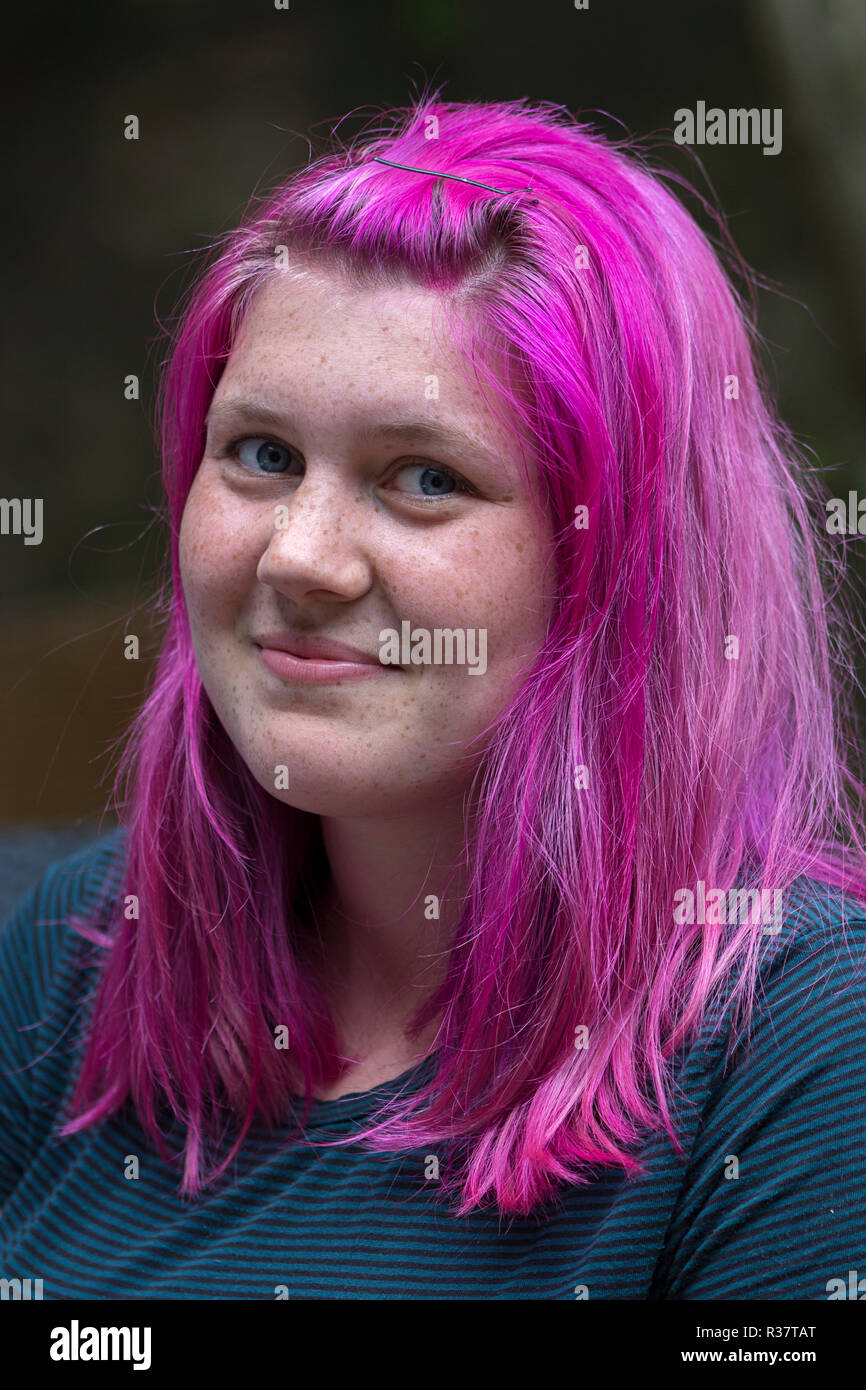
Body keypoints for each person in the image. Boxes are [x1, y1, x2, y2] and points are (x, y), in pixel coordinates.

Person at [2, 95, 866, 1301]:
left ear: (618, 563)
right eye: (260, 454)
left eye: (422, 476)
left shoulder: (804, 1040)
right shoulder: (73, 958)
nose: (299, 557)